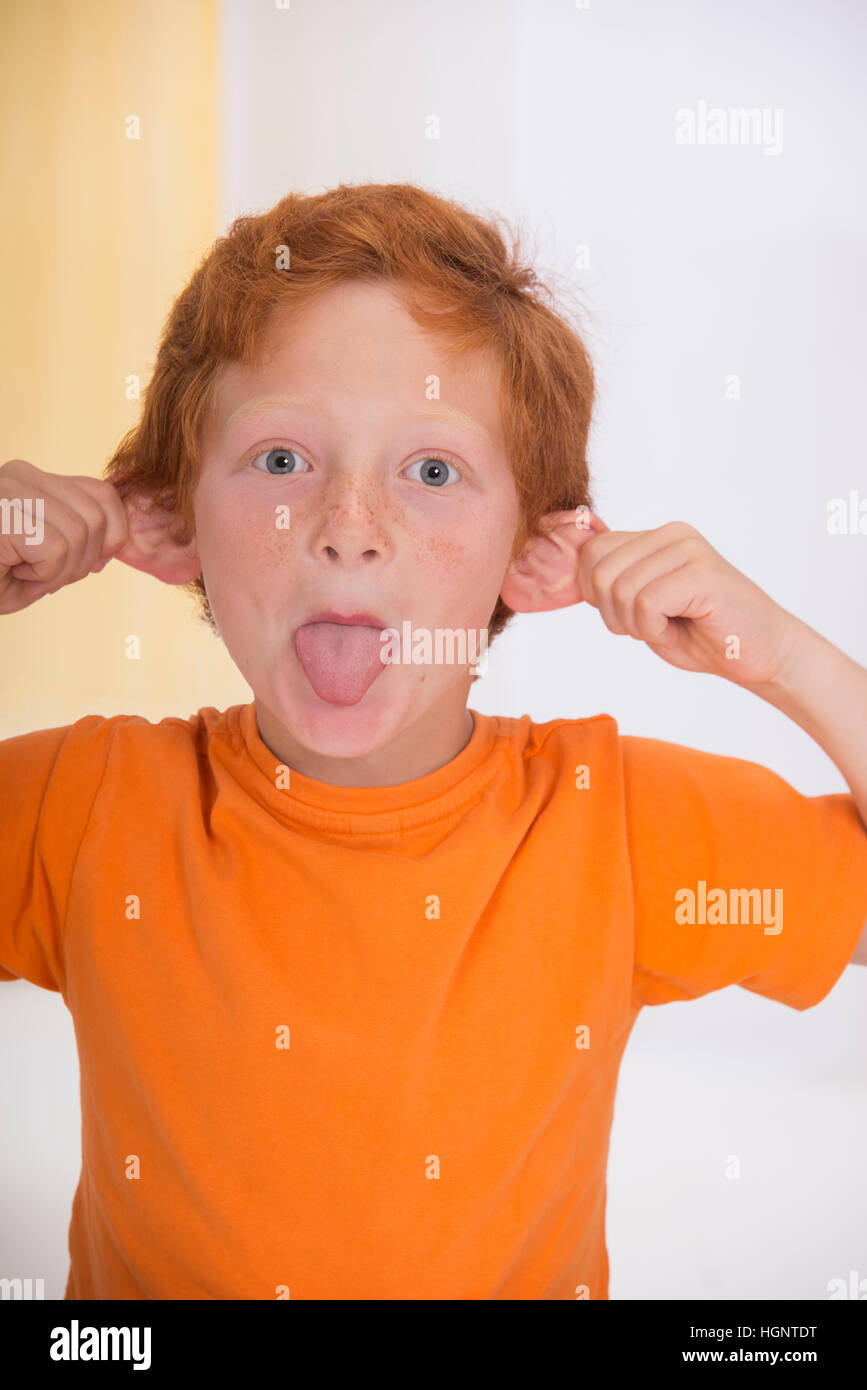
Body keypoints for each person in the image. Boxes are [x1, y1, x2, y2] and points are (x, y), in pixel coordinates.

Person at [2, 183, 866, 1300]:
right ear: (174, 522)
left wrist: (789, 657)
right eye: (280, 461)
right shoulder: (88, 806)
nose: (348, 529)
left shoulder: (611, 827)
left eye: (433, 470)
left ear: (535, 551)